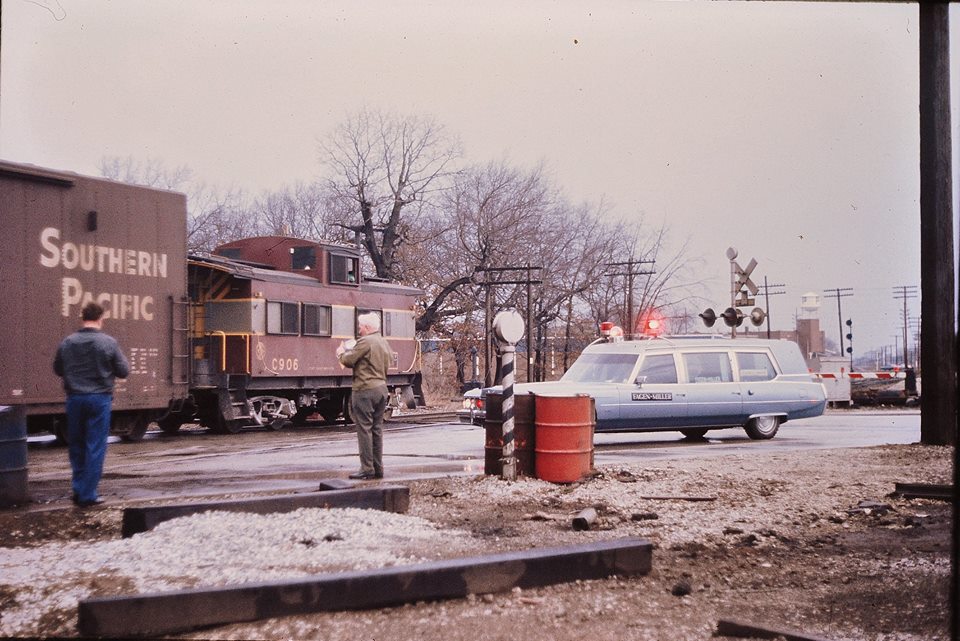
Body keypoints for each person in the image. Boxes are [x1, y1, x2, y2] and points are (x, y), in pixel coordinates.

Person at [53, 302, 130, 507]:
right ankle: (88, 494)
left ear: (82, 318)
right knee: (95, 446)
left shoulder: (68, 342)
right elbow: (123, 371)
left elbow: (58, 368)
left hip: (75, 398)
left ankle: (79, 490)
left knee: (76, 445)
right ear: (100, 318)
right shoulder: (108, 342)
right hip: (99, 399)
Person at [336, 311, 392, 480]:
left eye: (360, 326)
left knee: (364, 429)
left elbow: (348, 361)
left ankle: (366, 468)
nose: (359, 330)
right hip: (381, 388)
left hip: (365, 390)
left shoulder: (365, 342)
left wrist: (340, 352)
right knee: (377, 429)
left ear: (367, 327)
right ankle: (378, 467)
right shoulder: (383, 342)